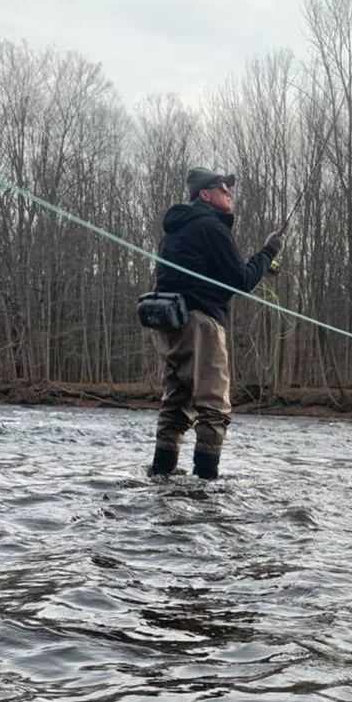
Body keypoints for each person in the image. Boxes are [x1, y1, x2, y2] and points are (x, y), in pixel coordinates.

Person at [149, 168, 283, 480]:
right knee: (213, 409)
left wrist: (262, 263)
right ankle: (207, 489)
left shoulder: (174, 230)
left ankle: (160, 477)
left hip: (170, 325)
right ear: (205, 194)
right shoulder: (211, 226)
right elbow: (240, 281)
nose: (230, 194)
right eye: (223, 188)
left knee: (175, 406)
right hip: (201, 325)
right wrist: (268, 252)